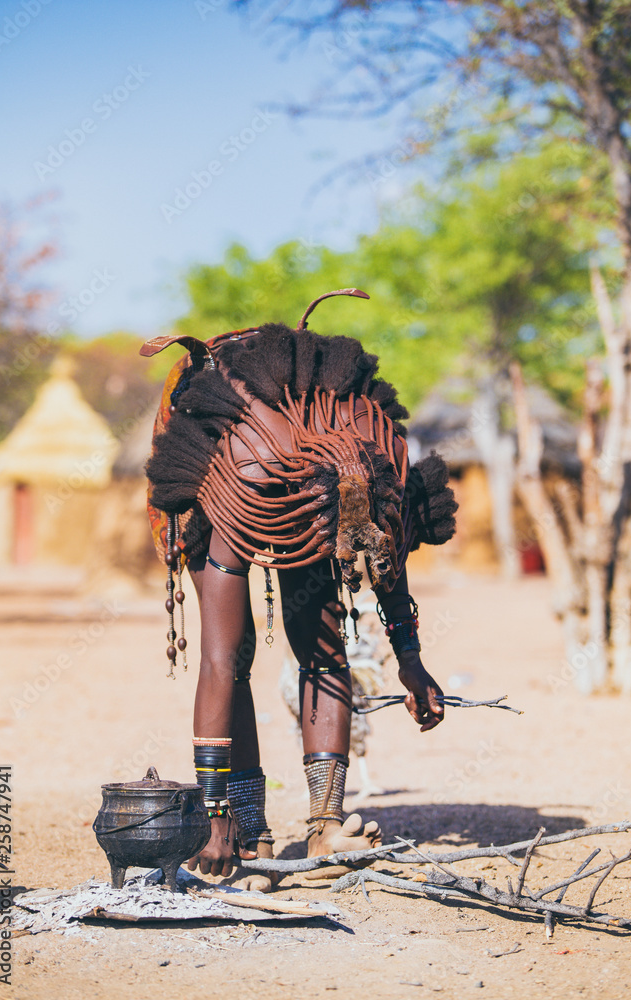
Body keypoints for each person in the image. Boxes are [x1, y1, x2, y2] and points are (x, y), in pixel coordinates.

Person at [143, 289, 457, 891]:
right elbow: (214, 661)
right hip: (216, 484)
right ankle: (243, 826)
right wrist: (213, 822)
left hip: (309, 482)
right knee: (233, 658)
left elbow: (388, 565)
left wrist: (412, 662)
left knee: (321, 645)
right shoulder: (244, 482)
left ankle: (324, 822)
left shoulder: (377, 467)